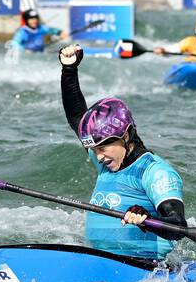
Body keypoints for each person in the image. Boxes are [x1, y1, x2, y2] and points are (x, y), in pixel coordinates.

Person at [58, 42, 186, 262]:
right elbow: (76, 119)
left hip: (142, 267)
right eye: (94, 148)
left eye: (103, 147)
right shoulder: (105, 160)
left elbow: (178, 227)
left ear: (126, 136)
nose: (98, 156)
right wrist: (69, 70)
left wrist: (146, 219)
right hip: (100, 259)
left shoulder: (155, 172)